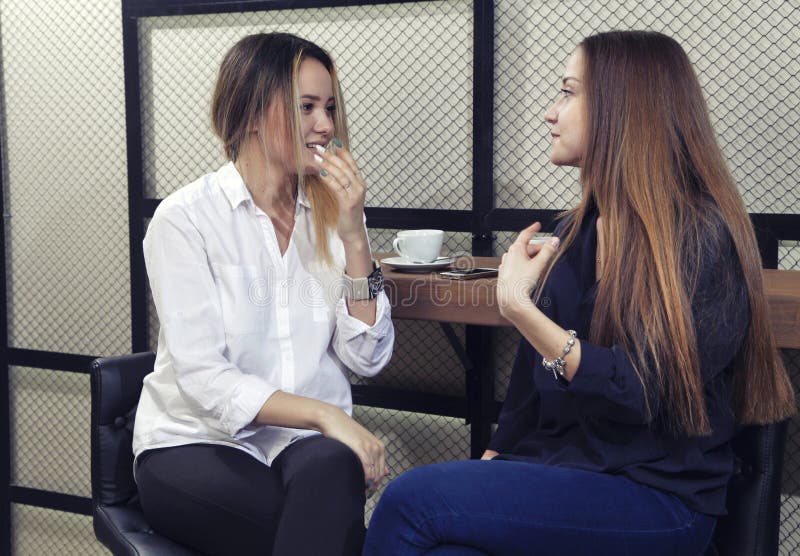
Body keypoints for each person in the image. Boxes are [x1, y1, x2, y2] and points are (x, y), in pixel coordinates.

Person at [363, 30, 795, 556]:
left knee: (410, 500)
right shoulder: (573, 232)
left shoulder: (702, 237)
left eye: (568, 92)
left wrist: (520, 309)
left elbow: (642, 390)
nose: (551, 112)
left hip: (658, 498)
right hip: (565, 469)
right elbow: (528, 380)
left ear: (621, 108)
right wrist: (495, 455)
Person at [131, 32, 395, 556]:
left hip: (297, 446)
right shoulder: (185, 219)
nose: (326, 126)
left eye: (330, 108)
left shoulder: (333, 216)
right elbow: (206, 380)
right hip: (193, 441)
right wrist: (326, 415)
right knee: (326, 528)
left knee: (331, 472)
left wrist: (353, 235)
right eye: (306, 107)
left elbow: (366, 356)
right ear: (252, 111)